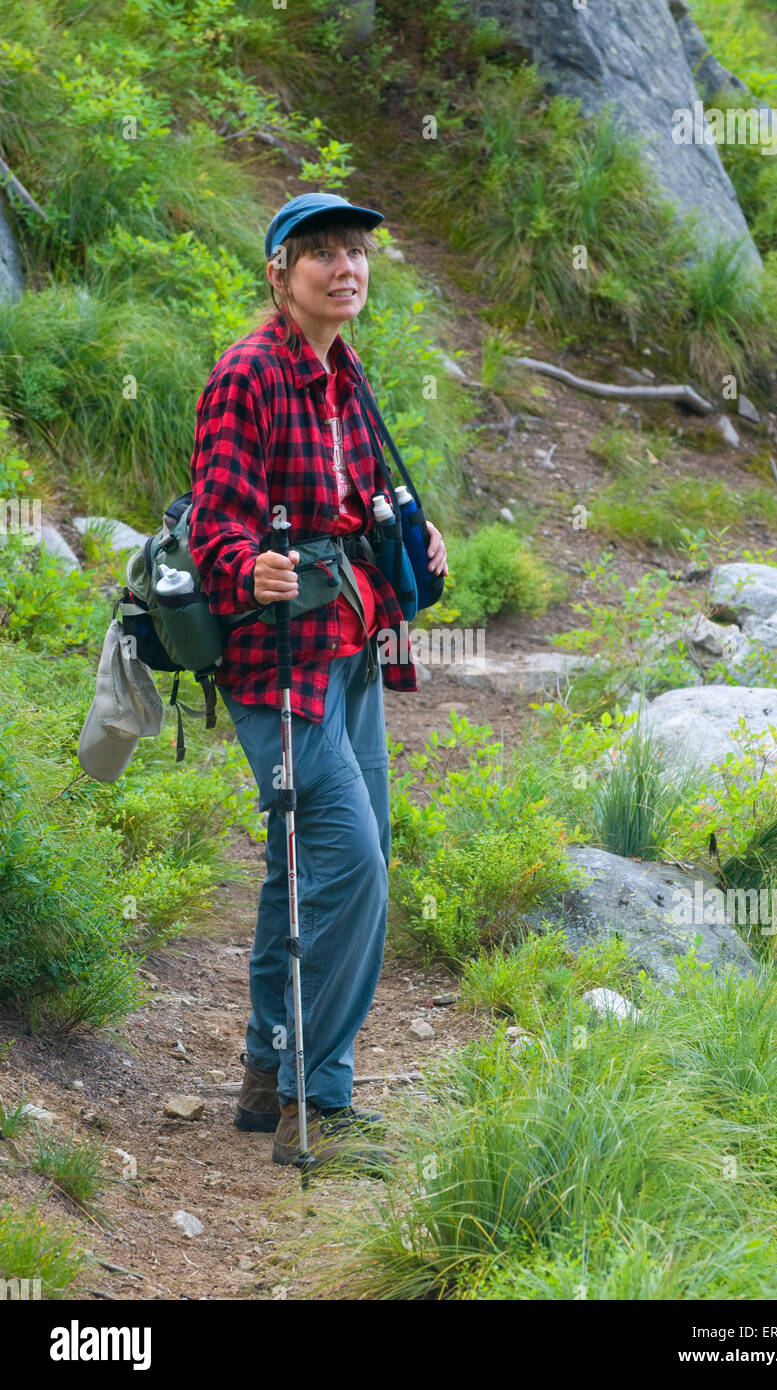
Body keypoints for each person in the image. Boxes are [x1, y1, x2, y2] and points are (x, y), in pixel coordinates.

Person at [187, 192, 447, 1174]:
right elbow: (214, 521)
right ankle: (315, 1096)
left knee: (308, 864)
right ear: (278, 273)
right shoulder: (248, 376)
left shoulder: (345, 372)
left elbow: (359, 503)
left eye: (356, 253)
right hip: (276, 662)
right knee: (351, 863)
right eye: (322, 255)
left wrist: (412, 533)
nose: (346, 268)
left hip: (347, 648)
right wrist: (244, 563)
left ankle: (266, 1072)